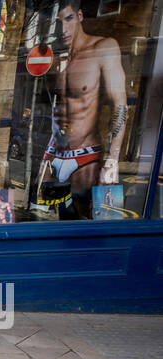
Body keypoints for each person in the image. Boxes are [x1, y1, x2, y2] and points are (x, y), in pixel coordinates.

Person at [38, 0, 127, 219]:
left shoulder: (103, 48)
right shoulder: (58, 58)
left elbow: (120, 104)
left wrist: (113, 159)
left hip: (85, 155)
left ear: (79, 16)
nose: (62, 29)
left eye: (68, 18)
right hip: (54, 152)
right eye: (57, 22)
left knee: (80, 223)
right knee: (46, 221)